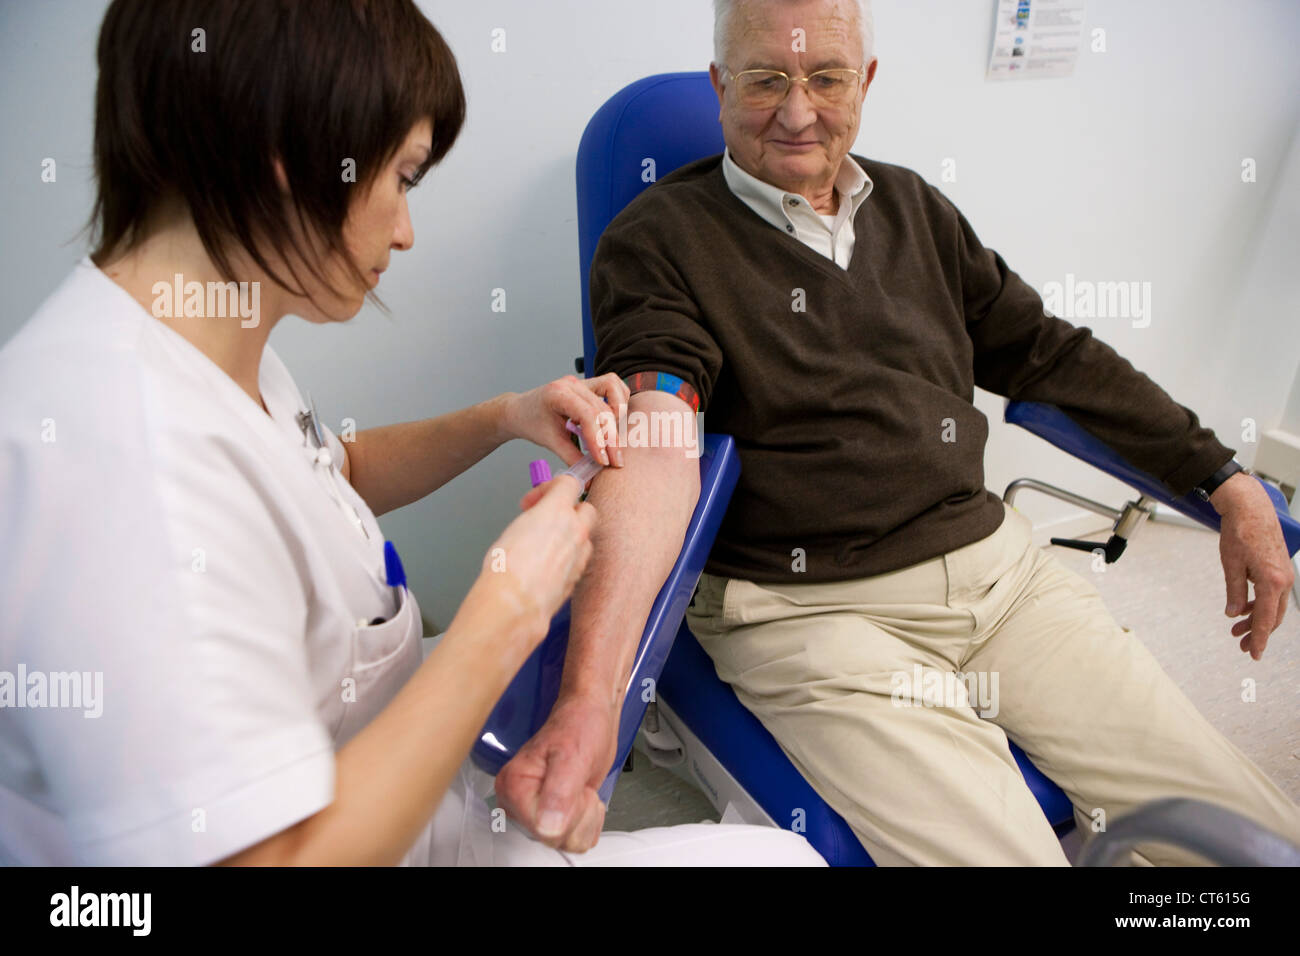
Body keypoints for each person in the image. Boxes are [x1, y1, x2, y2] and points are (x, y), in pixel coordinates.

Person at [0, 0, 825, 867]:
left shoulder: (198, 338)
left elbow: (326, 474)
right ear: (287, 160)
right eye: (400, 177)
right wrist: (504, 613)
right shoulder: (116, 462)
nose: (405, 229)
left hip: (406, 790)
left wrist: (504, 417)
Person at [492, 0, 1300, 865]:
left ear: (865, 83)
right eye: (765, 79)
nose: (798, 112)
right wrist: (590, 696)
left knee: (1250, 843)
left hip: (1001, 579)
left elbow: (1051, 355)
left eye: (825, 78)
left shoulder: (916, 207)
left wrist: (1224, 476)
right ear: (721, 86)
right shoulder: (657, 242)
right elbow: (655, 444)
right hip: (811, 611)